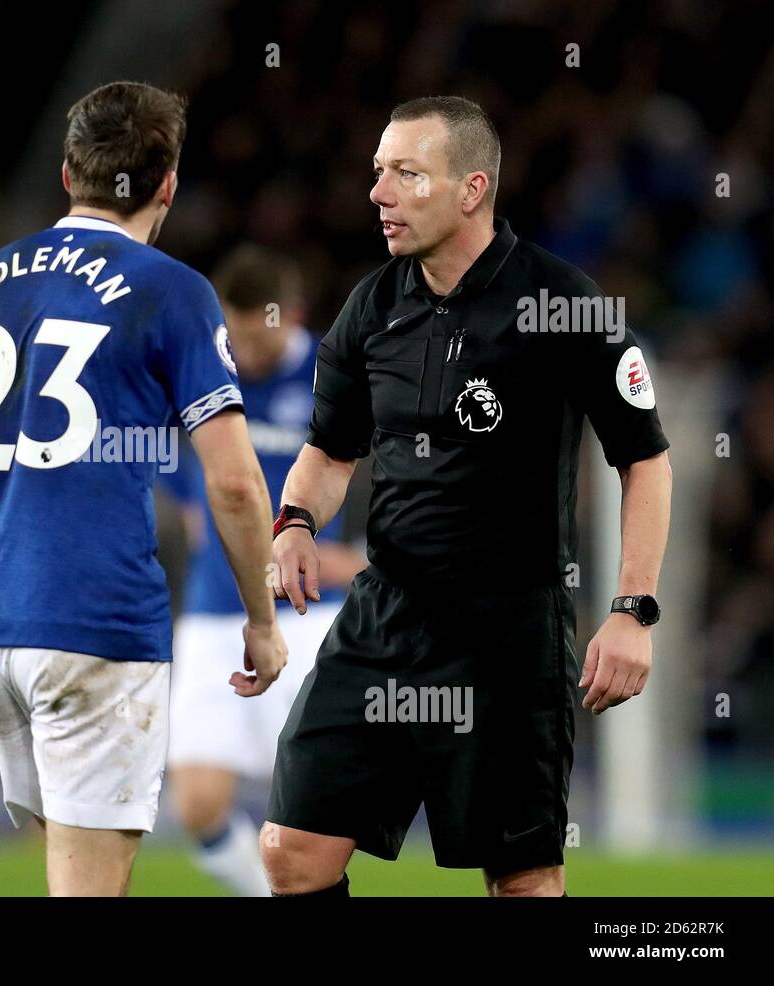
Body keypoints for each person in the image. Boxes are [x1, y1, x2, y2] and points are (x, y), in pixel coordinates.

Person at [0, 81, 286, 896]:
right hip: (93, 627)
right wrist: (260, 616)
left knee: (66, 864)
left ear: (69, 174)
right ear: (167, 186)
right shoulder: (171, 290)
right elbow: (237, 483)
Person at [263, 96, 672, 897]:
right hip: (385, 621)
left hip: (508, 636)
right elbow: (329, 448)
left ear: (472, 188)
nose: (379, 193)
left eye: (407, 174)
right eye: (378, 172)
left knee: (521, 882)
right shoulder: (372, 306)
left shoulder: (564, 305)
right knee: (292, 850)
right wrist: (297, 522)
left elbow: (645, 461)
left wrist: (633, 609)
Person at [163, 245, 365, 896]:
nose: (245, 354)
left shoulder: (335, 374)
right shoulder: (204, 369)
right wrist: (200, 512)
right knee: (196, 804)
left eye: (258, 336)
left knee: (311, 810)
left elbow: (406, 475)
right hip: (216, 608)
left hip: (308, 614)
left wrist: (365, 560)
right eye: (236, 336)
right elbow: (176, 473)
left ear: (293, 314)